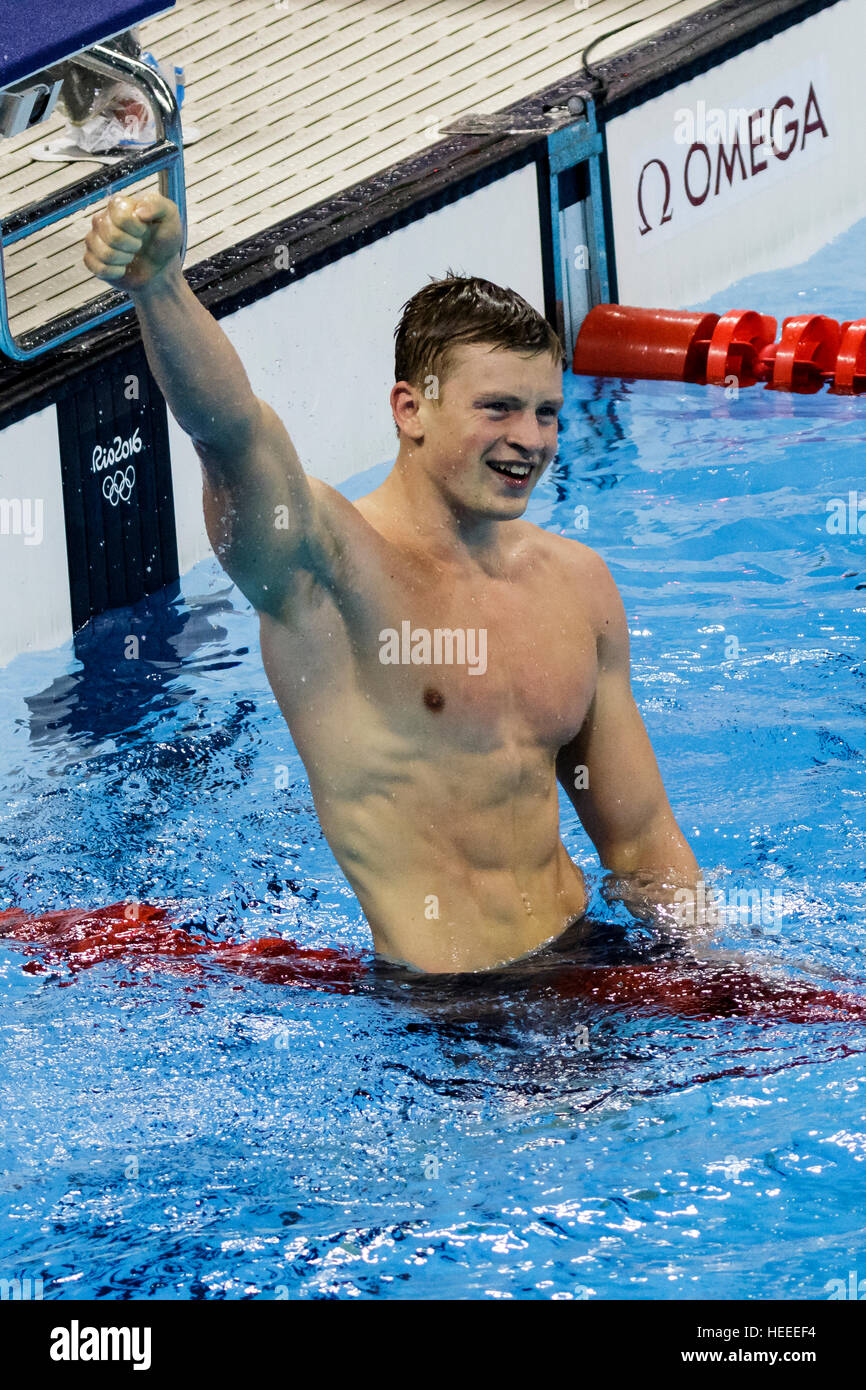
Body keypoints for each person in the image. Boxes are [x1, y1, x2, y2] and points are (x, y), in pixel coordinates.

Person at [82, 191, 702, 975]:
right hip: (454, 1016)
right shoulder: (326, 569)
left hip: (590, 962)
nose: (530, 441)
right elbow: (230, 431)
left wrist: (697, 969)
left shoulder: (578, 584)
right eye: (499, 409)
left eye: (547, 412)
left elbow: (642, 837)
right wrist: (161, 285)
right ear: (412, 409)